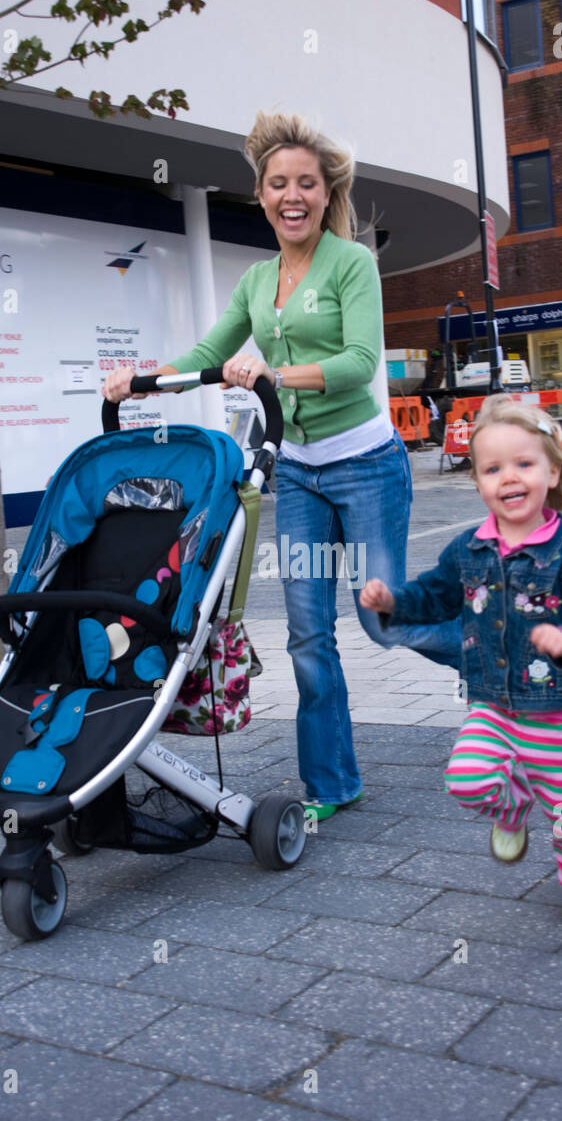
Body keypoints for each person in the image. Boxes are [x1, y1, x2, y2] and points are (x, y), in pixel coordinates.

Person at [103, 110, 461, 820]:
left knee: (380, 620)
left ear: (326, 194)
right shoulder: (256, 280)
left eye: (305, 183)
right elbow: (210, 355)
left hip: (364, 464)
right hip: (293, 472)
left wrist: (271, 373)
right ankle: (331, 782)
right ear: (261, 196)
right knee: (306, 634)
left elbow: (360, 364)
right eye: (277, 185)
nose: (290, 195)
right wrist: (142, 380)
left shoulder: (352, 264)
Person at [360, 395, 562, 922]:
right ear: (477, 482)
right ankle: (513, 806)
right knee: (467, 780)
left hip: (556, 712)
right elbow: (434, 594)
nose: (509, 478)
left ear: (551, 471)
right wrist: (393, 601)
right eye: (492, 468)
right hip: (491, 704)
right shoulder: (467, 549)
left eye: (523, 464)